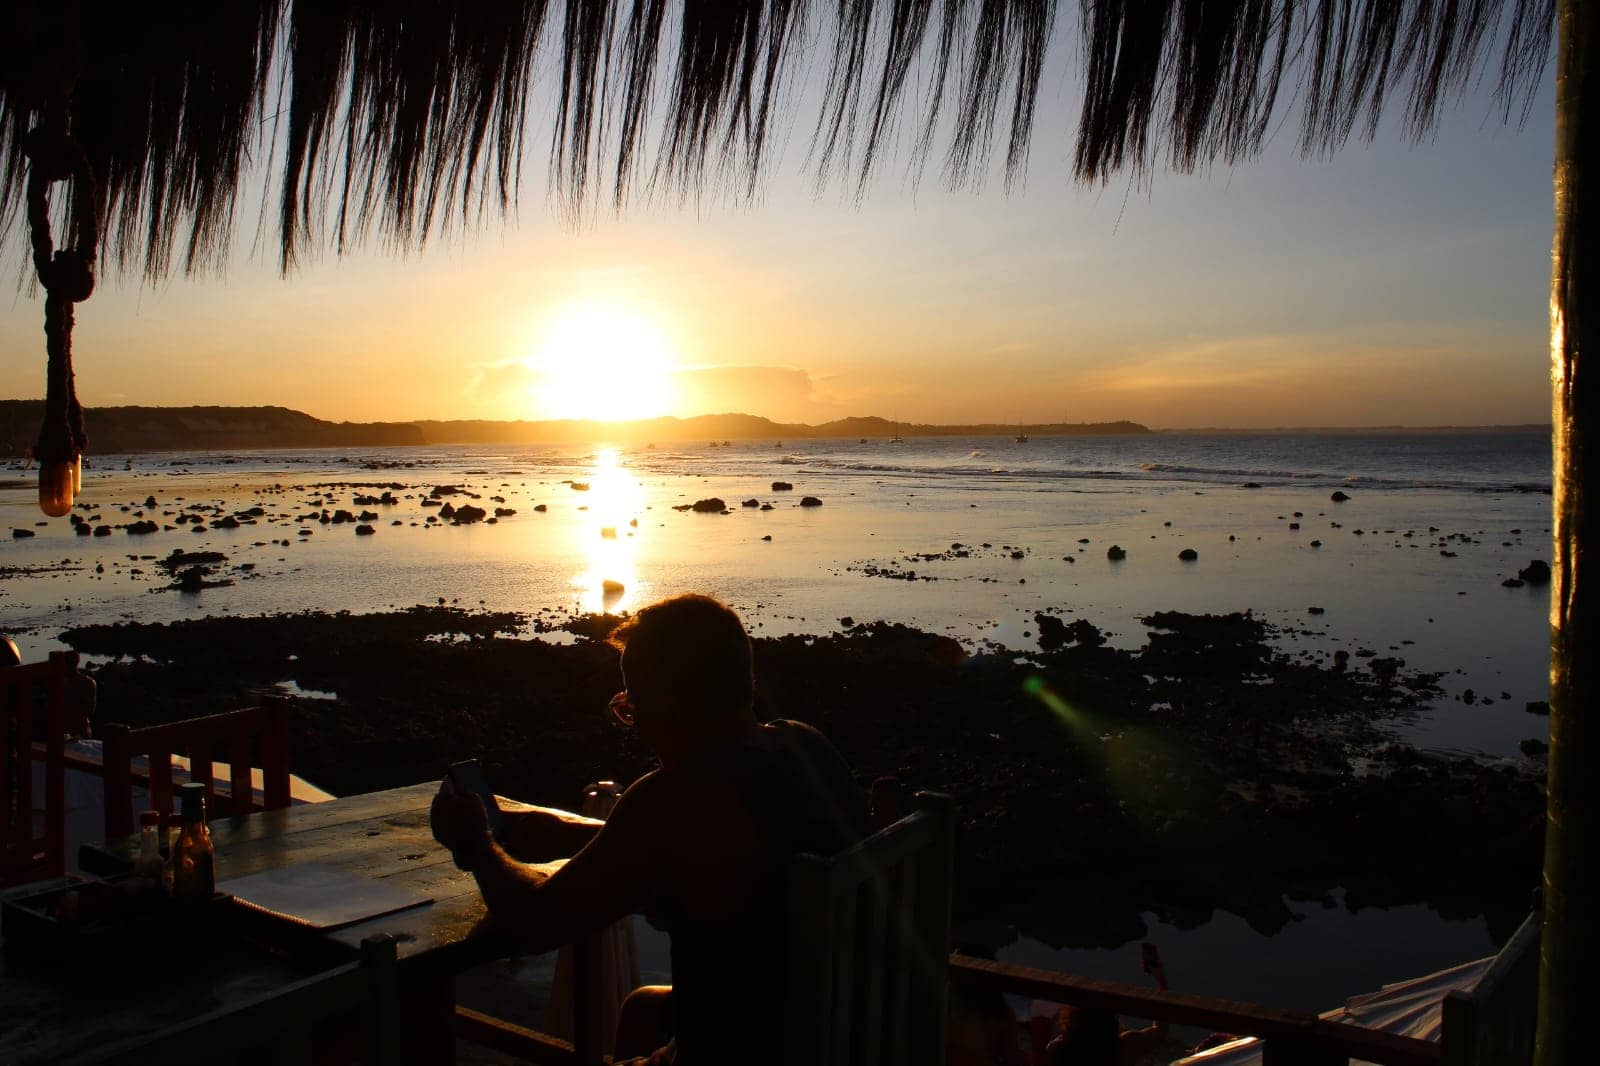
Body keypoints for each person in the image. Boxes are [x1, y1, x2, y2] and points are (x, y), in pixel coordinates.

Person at [431, 593, 870, 1064]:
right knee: (642, 1010)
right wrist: (550, 828)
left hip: (745, 1050)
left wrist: (476, 841)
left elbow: (534, 923)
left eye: (633, 707)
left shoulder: (676, 796)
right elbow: (688, 855)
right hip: (837, 1027)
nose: (636, 725)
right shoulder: (804, 746)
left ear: (669, 701)